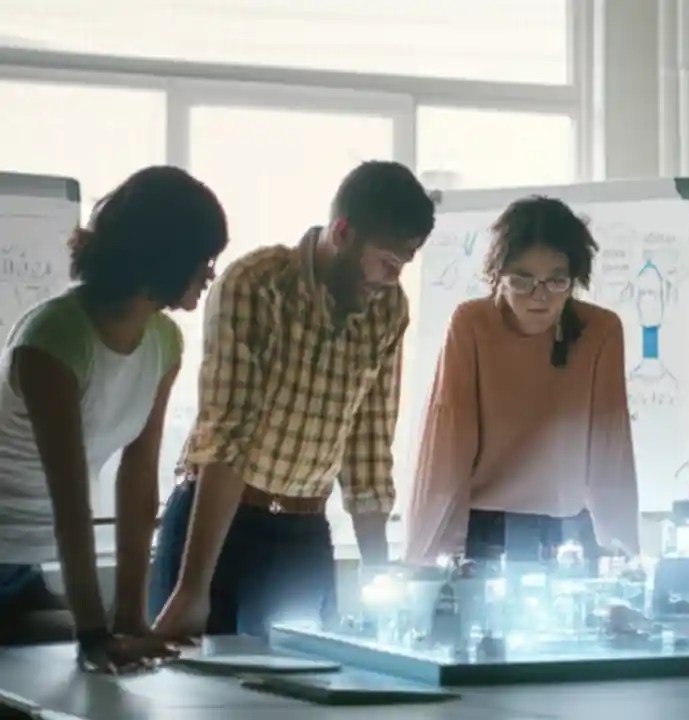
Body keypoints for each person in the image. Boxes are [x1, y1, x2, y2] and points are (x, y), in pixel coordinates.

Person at [149, 161, 435, 639]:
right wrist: (192, 588)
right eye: (386, 261)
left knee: (299, 698)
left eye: (402, 265)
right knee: (192, 697)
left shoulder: (387, 307)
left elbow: (369, 445)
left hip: (303, 531)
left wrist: (376, 570)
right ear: (343, 233)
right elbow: (228, 437)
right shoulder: (256, 284)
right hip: (219, 523)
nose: (390, 278)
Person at [0, 166, 227, 672]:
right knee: (61, 660)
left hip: (23, 569)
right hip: (12, 552)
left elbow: (139, 479)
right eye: (203, 260)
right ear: (165, 256)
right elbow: (71, 501)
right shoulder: (55, 337)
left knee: (127, 655)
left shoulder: (164, 340)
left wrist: (131, 618)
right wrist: (94, 636)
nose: (209, 274)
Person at [404, 196, 639, 567]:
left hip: (568, 532)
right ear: (498, 275)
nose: (539, 296)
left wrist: (626, 558)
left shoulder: (601, 330)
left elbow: (612, 453)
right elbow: (448, 446)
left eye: (556, 281)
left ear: (574, 279)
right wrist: (423, 559)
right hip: (485, 527)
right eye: (522, 280)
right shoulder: (472, 323)